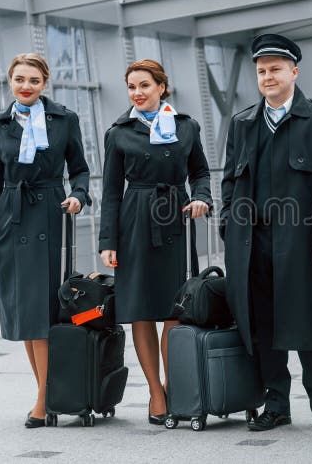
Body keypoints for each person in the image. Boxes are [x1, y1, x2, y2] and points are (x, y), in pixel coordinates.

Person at [220, 34, 312, 433]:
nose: (268, 76)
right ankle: (276, 404)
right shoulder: (242, 124)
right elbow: (228, 181)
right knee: (262, 325)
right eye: (261, 71)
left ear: (294, 71)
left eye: (275, 69)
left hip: (302, 242)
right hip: (251, 242)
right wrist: (227, 223)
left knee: (309, 323)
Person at [0, 53, 91, 428]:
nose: (26, 86)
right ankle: (44, 394)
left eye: (34, 80)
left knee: (42, 309)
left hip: (46, 211)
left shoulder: (63, 119)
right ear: (9, 81)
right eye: (20, 79)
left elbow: (80, 170)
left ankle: (44, 399)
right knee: (27, 315)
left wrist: (78, 195)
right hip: (9, 218)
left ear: (45, 83)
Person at [98, 59, 212, 425]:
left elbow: (201, 171)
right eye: (132, 87)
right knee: (140, 311)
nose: (137, 93)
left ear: (162, 87)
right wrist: (107, 240)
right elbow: (111, 192)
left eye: (144, 85)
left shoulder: (186, 126)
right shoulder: (118, 132)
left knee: (174, 309)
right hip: (134, 221)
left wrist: (202, 197)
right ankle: (155, 391)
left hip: (174, 218)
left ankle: (173, 382)